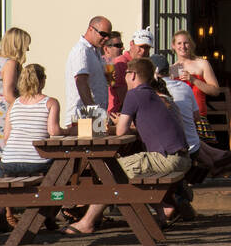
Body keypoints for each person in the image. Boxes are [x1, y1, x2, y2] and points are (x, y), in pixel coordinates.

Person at [65, 58, 192, 235]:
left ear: (132, 75)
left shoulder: (134, 94)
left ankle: (87, 222)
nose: (123, 77)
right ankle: (164, 208)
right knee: (123, 171)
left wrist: (113, 125)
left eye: (125, 74)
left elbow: (121, 131)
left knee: (111, 174)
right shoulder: (154, 95)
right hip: (182, 158)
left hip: (166, 159)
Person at [0, 63, 61, 227]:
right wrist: (68, 132)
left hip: (10, 162)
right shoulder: (50, 102)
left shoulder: (14, 104)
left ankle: (0, 217)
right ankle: (47, 216)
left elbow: (6, 137)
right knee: (62, 172)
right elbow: (54, 132)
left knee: (1, 171)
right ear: (41, 81)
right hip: (37, 162)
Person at [0, 27, 29, 164]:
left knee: (5, 162)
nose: (27, 50)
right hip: (5, 114)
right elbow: (9, 94)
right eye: (26, 45)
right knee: (9, 162)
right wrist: (28, 109)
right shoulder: (10, 63)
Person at [66, 16, 112, 122]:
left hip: (92, 115)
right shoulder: (82, 51)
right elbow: (81, 81)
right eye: (103, 34)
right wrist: (94, 114)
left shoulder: (94, 51)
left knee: (105, 137)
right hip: (83, 116)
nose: (106, 39)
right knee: (99, 137)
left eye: (108, 36)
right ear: (91, 29)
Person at [111, 29, 153, 114]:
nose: (144, 51)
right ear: (131, 44)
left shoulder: (143, 65)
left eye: (147, 47)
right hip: (119, 114)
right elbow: (123, 96)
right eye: (140, 47)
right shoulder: (121, 63)